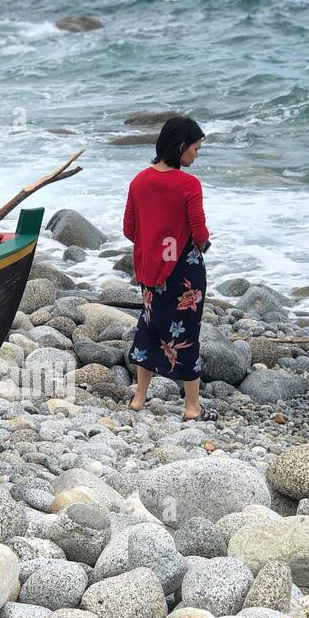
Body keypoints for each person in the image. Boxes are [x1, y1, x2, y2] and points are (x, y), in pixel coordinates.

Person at [122, 115, 216, 420]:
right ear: (181, 146)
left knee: (150, 328)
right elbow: (199, 232)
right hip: (184, 273)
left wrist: (154, 242)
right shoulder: (189, 184)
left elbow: (129, 229)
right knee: (186, 333)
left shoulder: (138, 181)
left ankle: (138, 399)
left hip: (151, 270)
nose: (197, 154)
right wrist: (200, 243)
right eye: (196, 148)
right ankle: (191, 407)